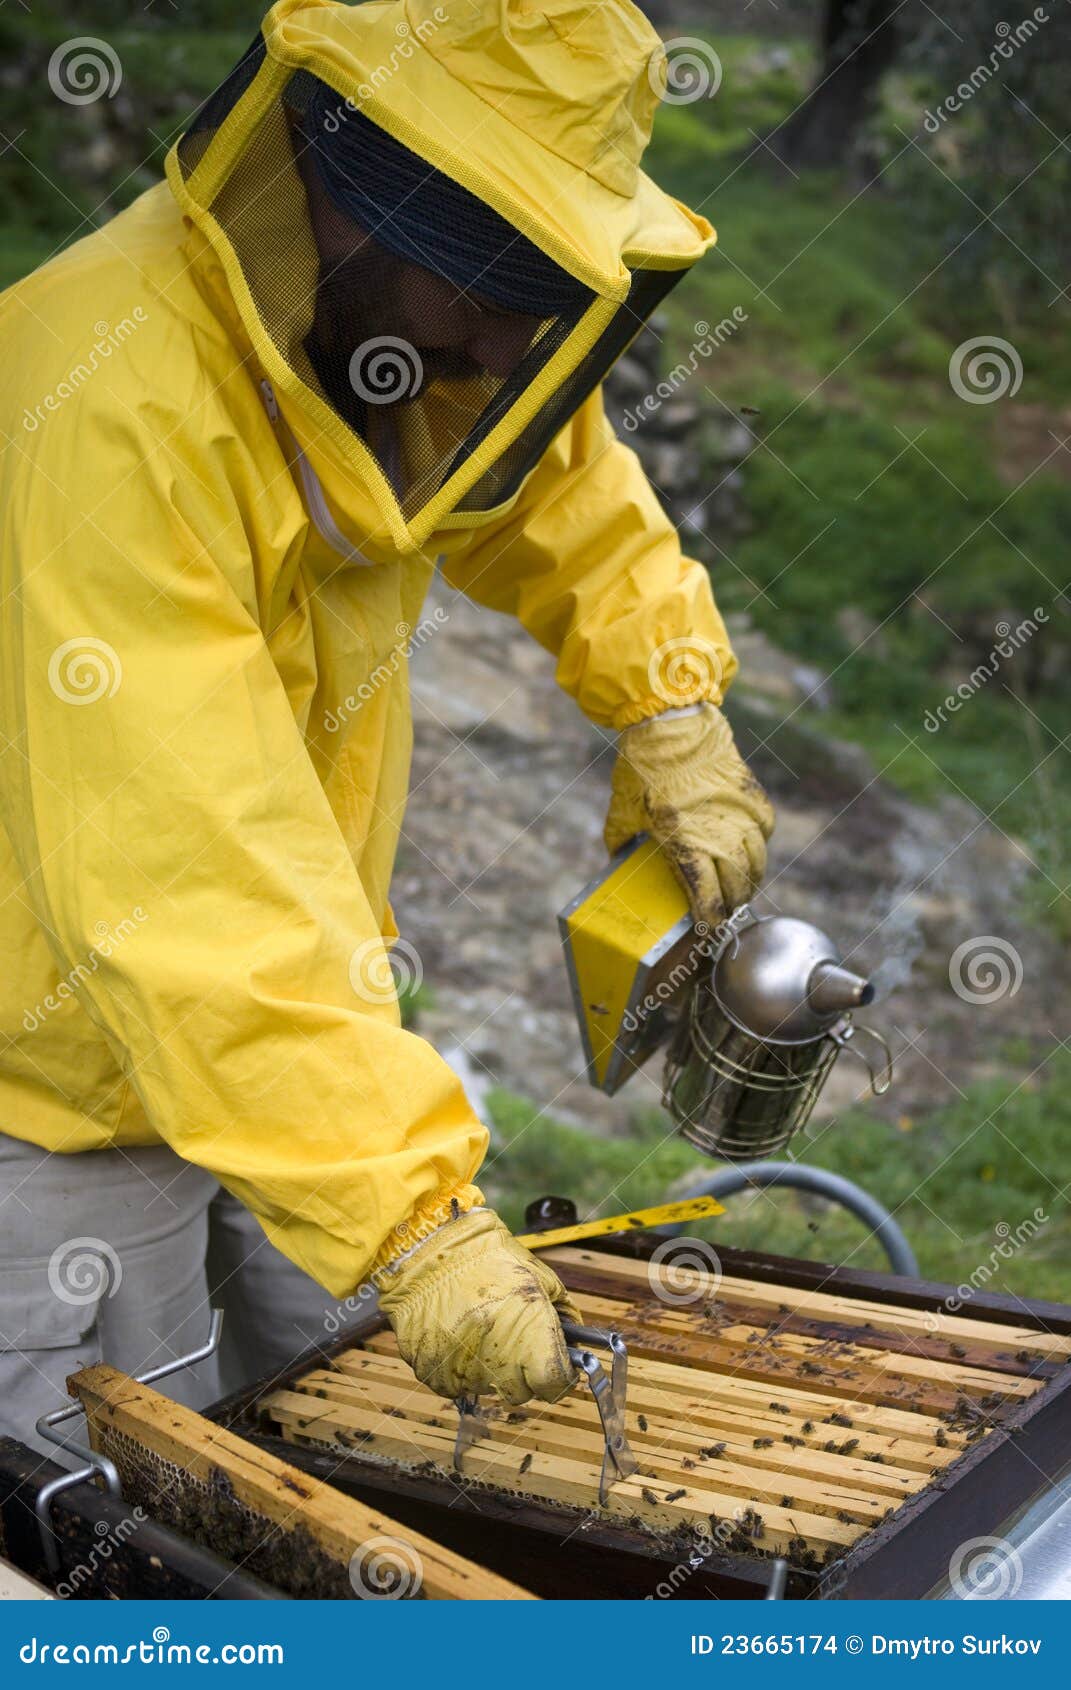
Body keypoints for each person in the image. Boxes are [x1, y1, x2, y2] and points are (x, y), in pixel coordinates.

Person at [0, 0, 773, 1449]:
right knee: (124, 1542)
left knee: (370, 1443)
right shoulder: (103, 397)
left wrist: (670, 696)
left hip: (301, 1038)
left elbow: (549, 476)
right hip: (57, 1104)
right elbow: (189, 872)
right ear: (343, 189)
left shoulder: (398, 328)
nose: (505, 329)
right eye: (485, 272)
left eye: (539, 281)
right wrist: (413, 1218)